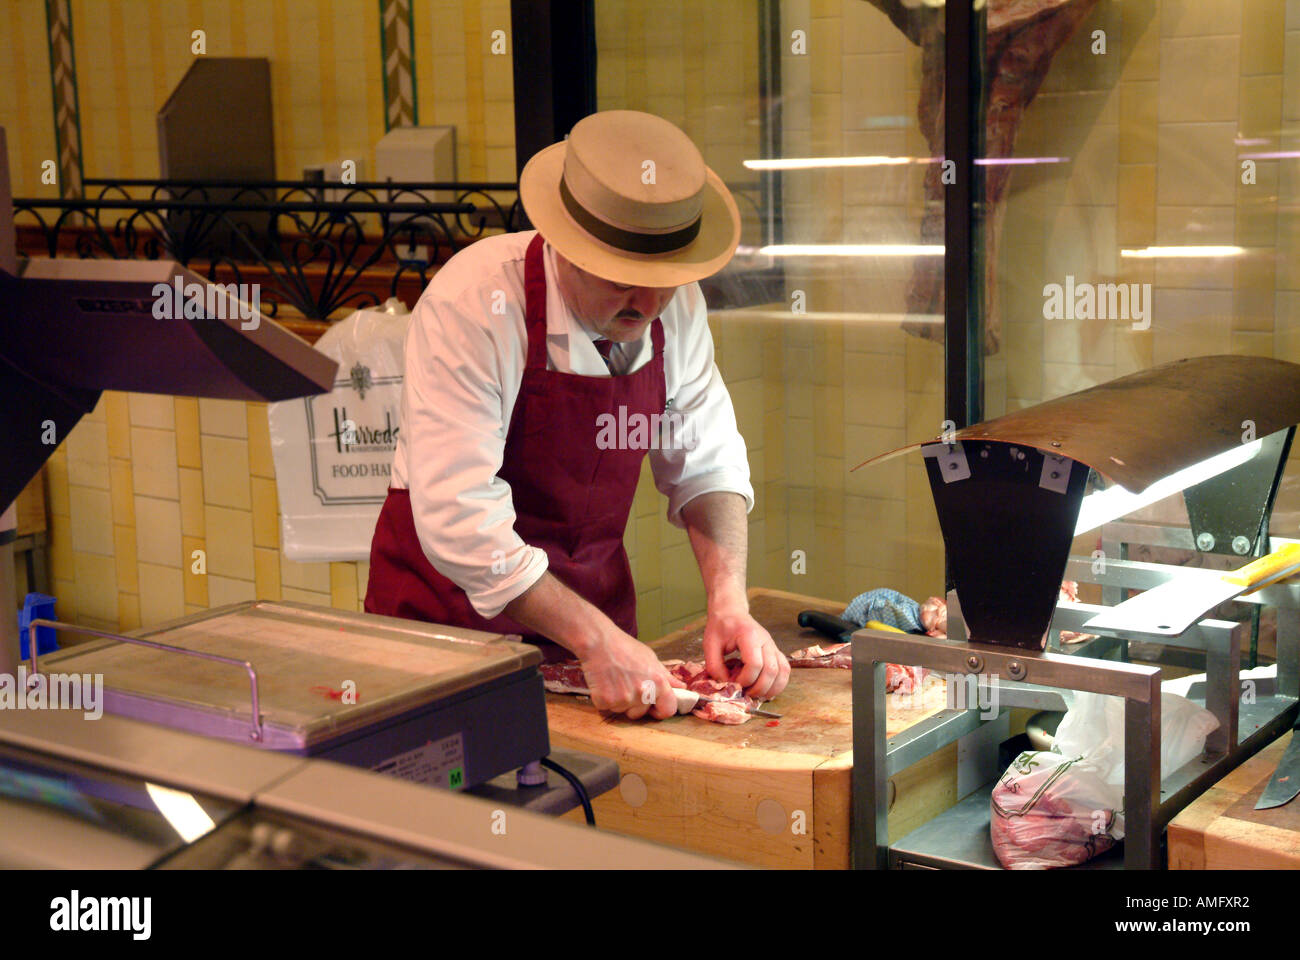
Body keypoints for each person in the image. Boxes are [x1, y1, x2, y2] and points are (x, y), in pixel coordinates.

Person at [365, 109, 789, 719]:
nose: (648, 302)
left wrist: (728, 602)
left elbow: (706, 461)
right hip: (447, 635)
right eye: (624, 278)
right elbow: (458, 515)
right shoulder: (477, 302)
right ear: (568, 244)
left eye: (665, 279)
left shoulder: (676, 308)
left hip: (594, 639)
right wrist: (594, 639)